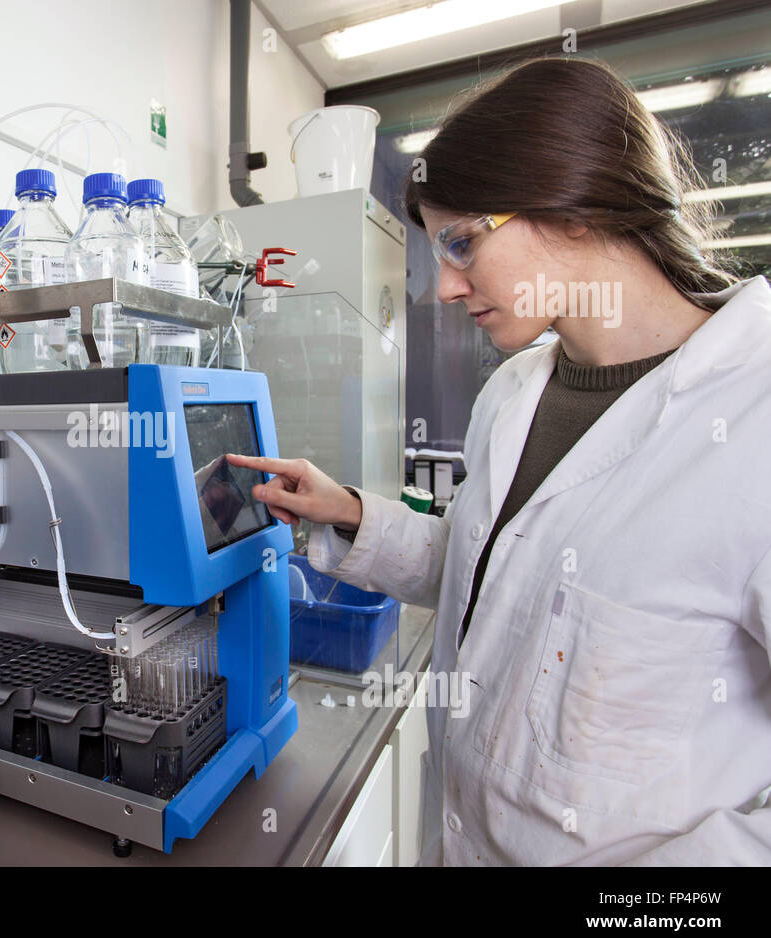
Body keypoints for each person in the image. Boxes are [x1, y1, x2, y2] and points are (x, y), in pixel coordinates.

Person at [229, 57, 771, 865]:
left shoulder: (752, 414)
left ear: (575, 209)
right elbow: (495, 574)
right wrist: (349, 511)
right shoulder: (515, 391)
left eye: (461, 243)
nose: (444, 288)